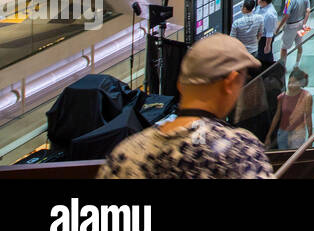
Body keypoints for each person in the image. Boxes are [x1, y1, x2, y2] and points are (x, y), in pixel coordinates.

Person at [99, 35, 271, 178]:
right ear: (229, 82)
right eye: (241, 83)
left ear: (181, 85)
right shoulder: (239, 152)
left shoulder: (127, 152)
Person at [276, 0, 311, 67]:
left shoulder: (289, 0)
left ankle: (282, 66)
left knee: (284, 47)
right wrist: (304, 23)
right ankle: (297, 64)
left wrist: (278, 27)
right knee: (299, 44)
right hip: (301, 24)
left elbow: (286, 15)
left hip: (291, 26)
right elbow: (308, 11)